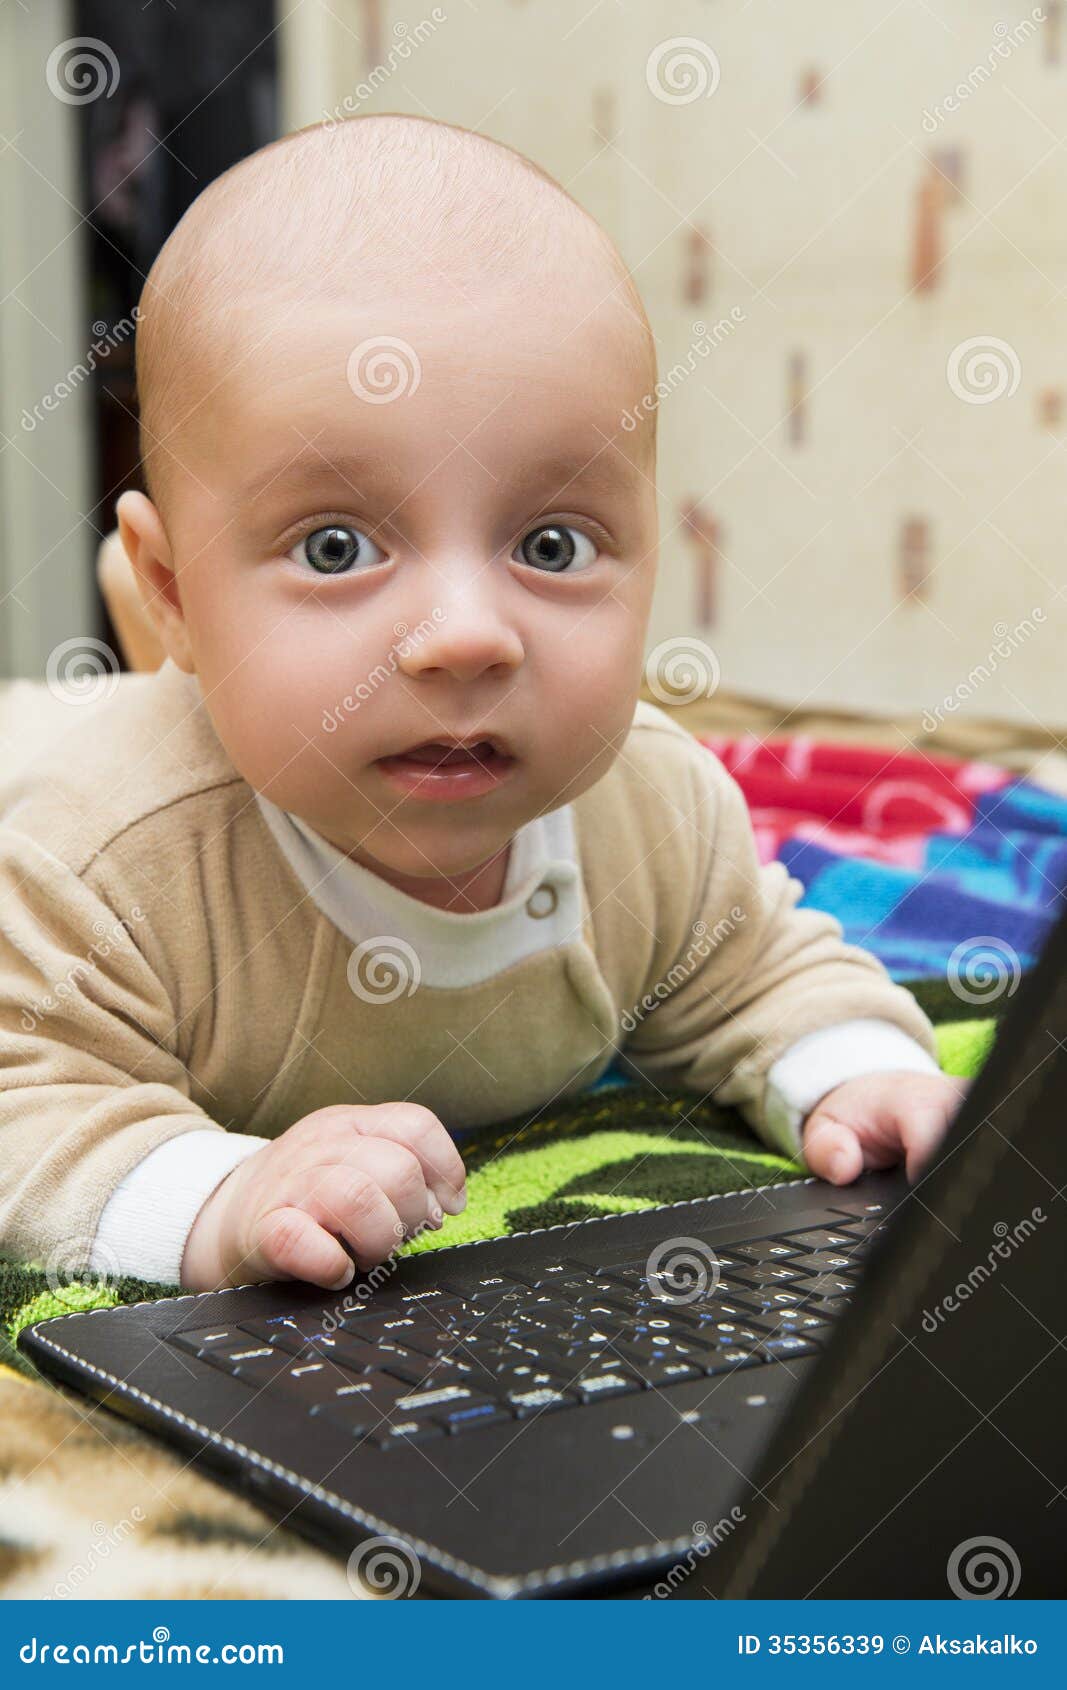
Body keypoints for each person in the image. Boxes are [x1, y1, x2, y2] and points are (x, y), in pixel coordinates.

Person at [0, 114, 962, 1294]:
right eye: (338, 543)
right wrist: (219, 1196)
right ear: (174, 583)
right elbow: (22, 1101)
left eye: (550, 543)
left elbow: (758, 973)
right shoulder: (101, 863)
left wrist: (857, 1073)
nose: (465, 634)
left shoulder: (650, 814)